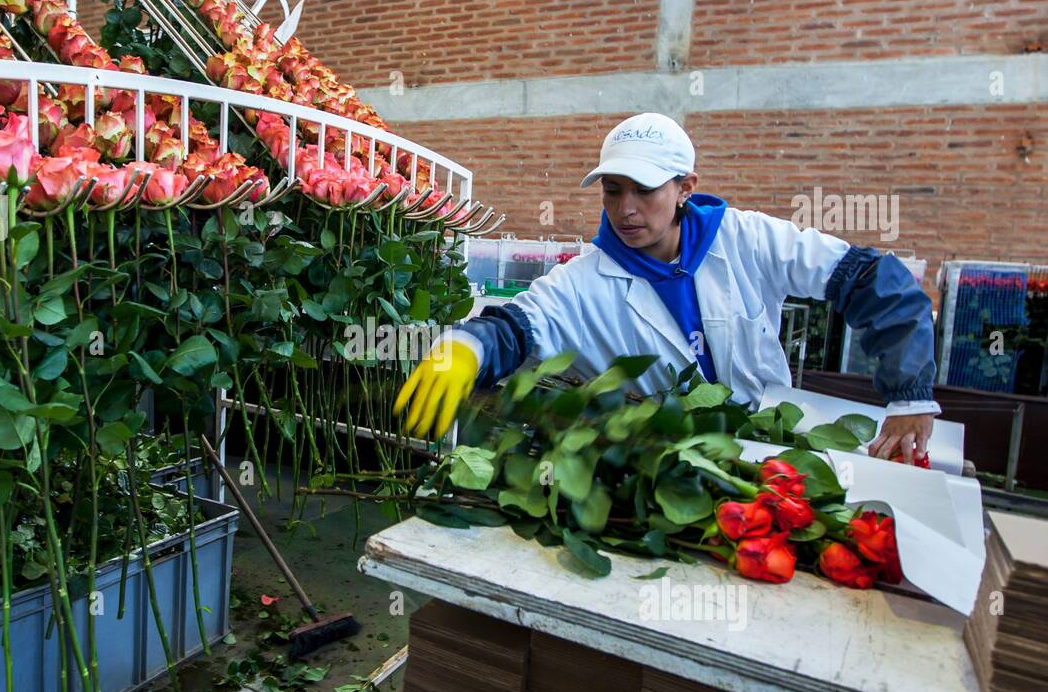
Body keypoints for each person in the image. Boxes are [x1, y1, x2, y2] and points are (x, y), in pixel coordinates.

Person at [393, 112, 938, 463]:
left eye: (645, 190)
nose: (626, 209)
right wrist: (467, 347)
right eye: (613, 190)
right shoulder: (585, 282)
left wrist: (910, 394)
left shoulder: (748, 239)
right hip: (671, 465)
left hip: (774, 447)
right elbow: (517, 326)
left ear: (685, 188)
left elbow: (870, 279)